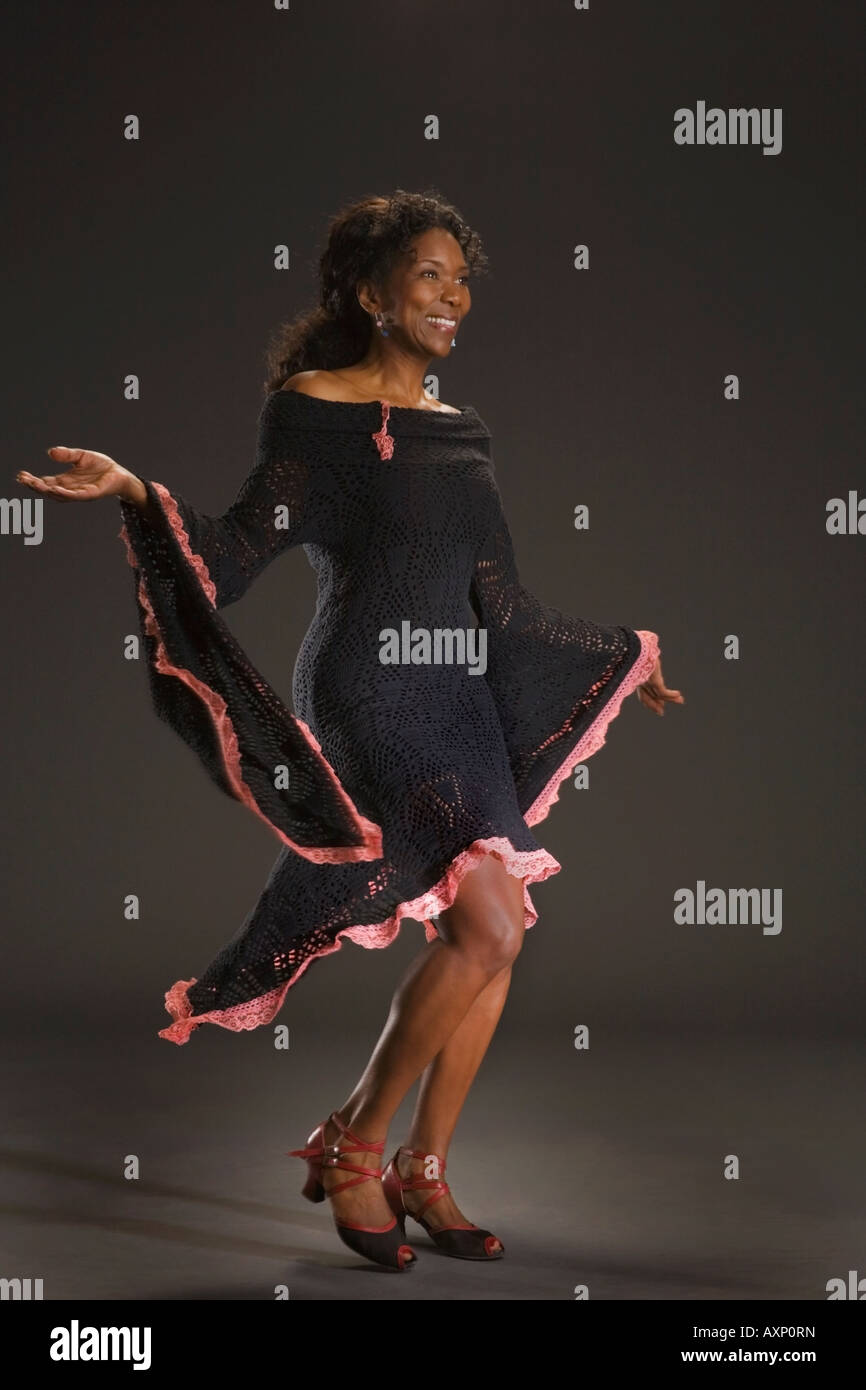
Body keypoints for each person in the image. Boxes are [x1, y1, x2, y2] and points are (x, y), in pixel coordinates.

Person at [16, 189, 684, 1274]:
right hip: (369, 690)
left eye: (462, 278)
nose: (455, 295)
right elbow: (233, 554)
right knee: (490, 925)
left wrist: (624, 653)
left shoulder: (461, 437)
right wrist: (137, 490)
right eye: (430, 274)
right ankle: (354, 1142)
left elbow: (500, 604)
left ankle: (423, 1167)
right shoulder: (314, 413)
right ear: (371, 292)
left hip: (459, 694)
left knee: (496, 922)